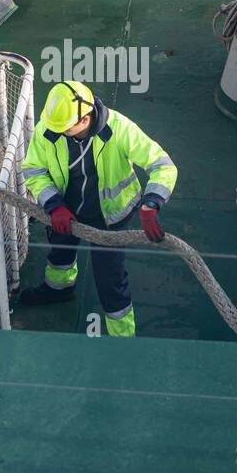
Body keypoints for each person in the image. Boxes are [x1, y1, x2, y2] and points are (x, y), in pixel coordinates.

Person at [19, 80, 177, 338]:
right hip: (64, 210)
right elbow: (34, 171)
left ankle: (122, 338)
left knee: (110, 279)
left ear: (85, 119)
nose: (56, 133)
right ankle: (59, 288)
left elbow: (162, 166)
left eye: (64, 129)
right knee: (60, 251)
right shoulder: (48, 128)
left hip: (109, 217)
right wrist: (53, 204)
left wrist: (152, 203)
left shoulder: (120, 129)